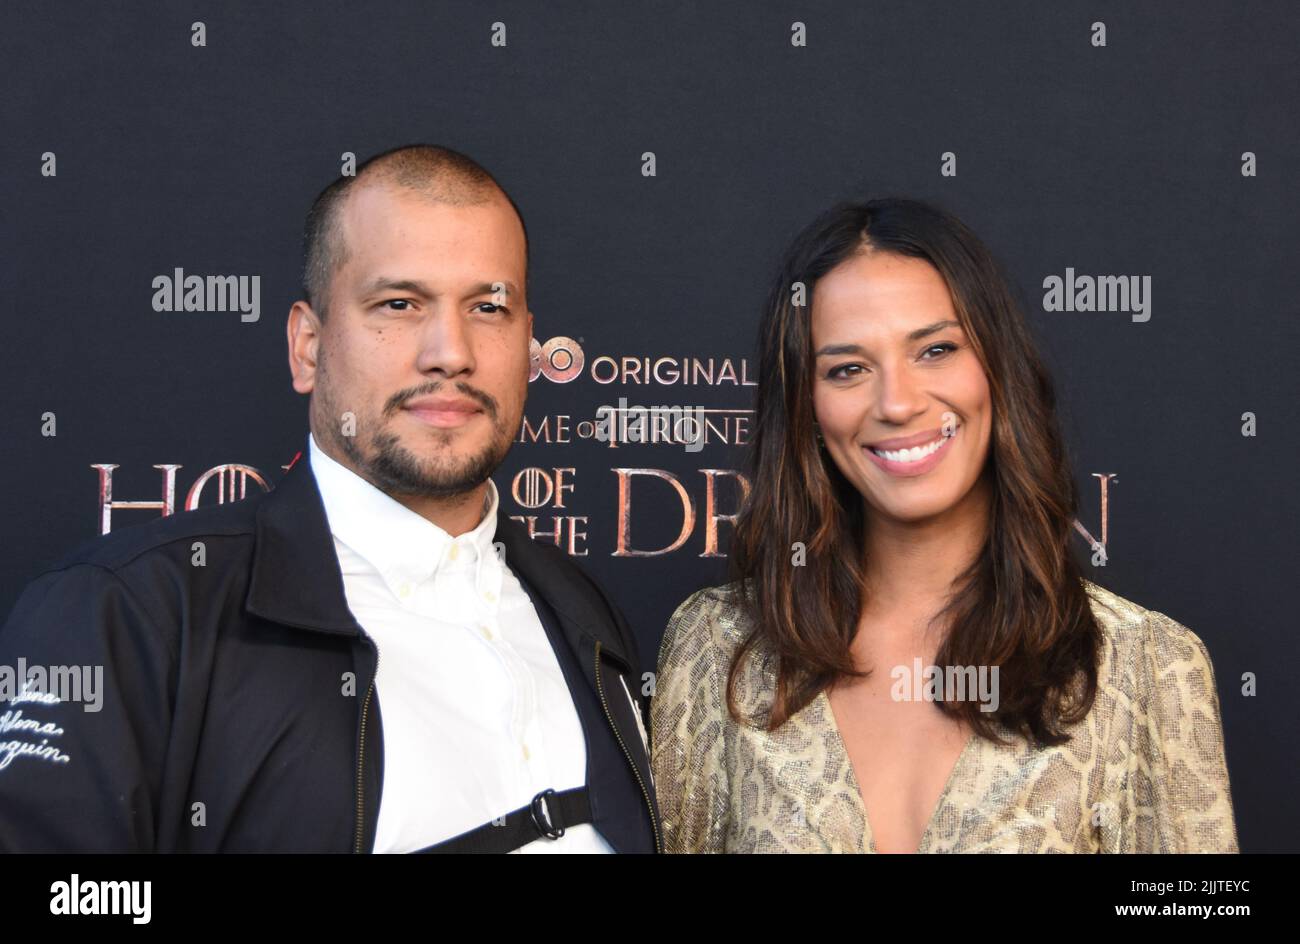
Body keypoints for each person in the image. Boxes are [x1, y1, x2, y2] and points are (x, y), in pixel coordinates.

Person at [0, 144, 659, 853]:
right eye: (400, 304)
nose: (450, 352)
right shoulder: (129, 614)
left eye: (489, 307)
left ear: (530, 343)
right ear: (307, 347)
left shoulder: (580, 609)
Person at [650, 197, 1237, 853]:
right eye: (848, 368)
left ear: (995, 368)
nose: (897, 402)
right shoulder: (718, 651)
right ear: (806, 407)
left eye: (935, 349)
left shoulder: (1146, 666)